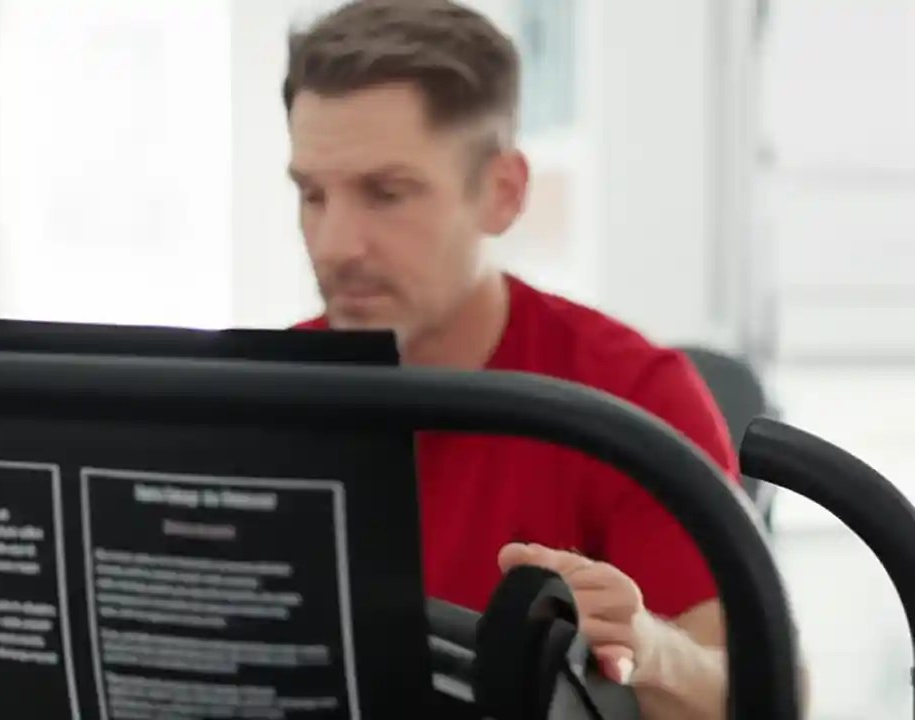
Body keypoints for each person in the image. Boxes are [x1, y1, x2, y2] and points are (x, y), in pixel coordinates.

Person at [284, 1, 805, 718]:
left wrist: (649, 645)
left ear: (501, 193)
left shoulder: (626, 399)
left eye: (386, 193)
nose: (336, 243)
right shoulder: (266, 394)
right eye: (312, 194)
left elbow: (767, 698)